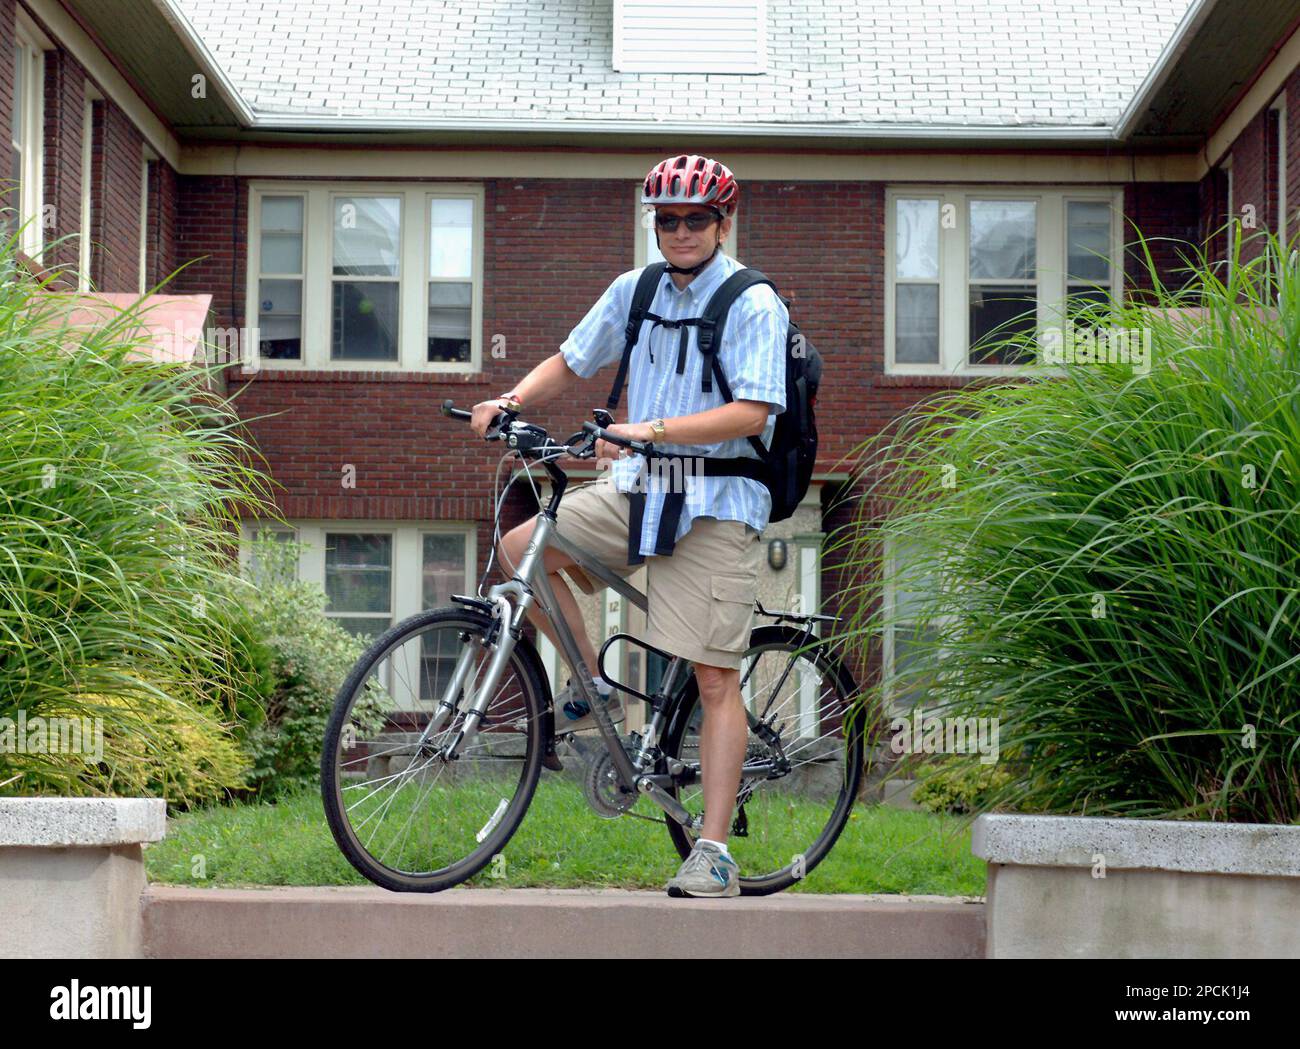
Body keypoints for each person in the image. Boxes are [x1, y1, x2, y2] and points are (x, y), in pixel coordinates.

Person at [471, 154, 789, 898]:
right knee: (524, 549)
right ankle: (596, 690)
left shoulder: (752, 302)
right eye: (667, 219)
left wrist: (648, 428)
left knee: (714, 675)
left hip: (715, 500)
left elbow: (753, 411)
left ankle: (712, 850)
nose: (679, 230)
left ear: (722, 222)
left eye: (695, 218)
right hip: (639, 488)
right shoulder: (635, 289)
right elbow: (571, 358)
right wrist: (510, 400)